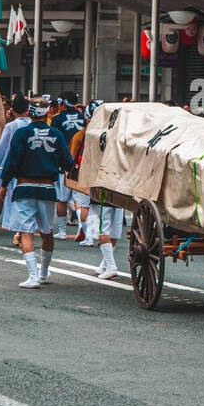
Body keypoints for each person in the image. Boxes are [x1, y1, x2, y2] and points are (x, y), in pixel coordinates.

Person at [0, 97, 74, 289]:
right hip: (48, 188)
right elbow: (67, 161)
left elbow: (12, 162)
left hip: (24, 188)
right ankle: (44, 271)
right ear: (47, 114)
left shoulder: (22, 133)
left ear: (29, 113)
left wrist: (3, 184)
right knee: (47, 232)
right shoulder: (56, 133)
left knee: (26, 232)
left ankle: (33, 275)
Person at [72, 100, 122, 279]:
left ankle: (110, 266)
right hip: (121, 185)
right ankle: (105, 264)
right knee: (114, 229)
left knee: (103, 229)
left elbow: (84, 160)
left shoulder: (90, 136)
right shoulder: (120, 134)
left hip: (102, 185)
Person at [0, 94, 34, 248]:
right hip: (33, 169)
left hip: (15, 169)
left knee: (15, 201)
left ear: (13, 111)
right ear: (28, 110)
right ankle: (25, 230)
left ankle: (21, 231)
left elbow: (3, 149)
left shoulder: (12, 126)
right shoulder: (33, 124)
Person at [50, 93, 86, 238]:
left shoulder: (57, 119)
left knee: (62, 199)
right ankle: (82, 228)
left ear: (63, 103)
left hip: (63, 163)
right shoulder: (83, 118)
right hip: (80, 162)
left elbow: (53, 142)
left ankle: (62, 231)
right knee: (78, 198)